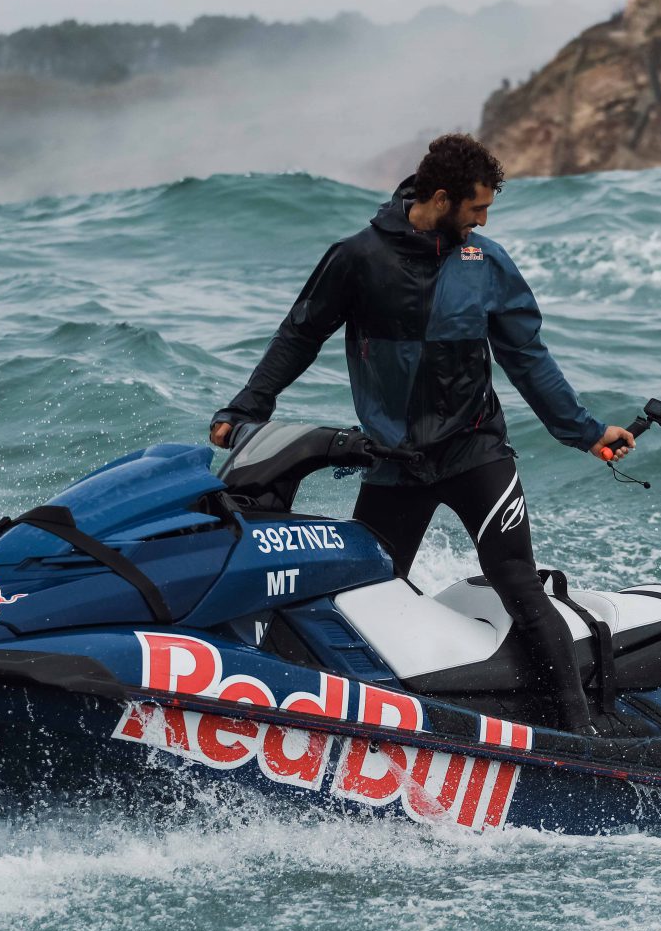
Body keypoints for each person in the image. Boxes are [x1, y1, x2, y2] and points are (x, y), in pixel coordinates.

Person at [209, 133, 634, 734]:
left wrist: (584, 431)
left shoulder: (484, 262)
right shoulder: (357, 258)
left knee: (517, 579)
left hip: (476, 449)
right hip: (394, 460)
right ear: (440, 197)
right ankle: (375, 718)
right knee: (369, 590)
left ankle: (578, 727)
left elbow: (527, 357)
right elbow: (298, 335)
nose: (483, 222)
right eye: (477, 209)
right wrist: (247, 406)